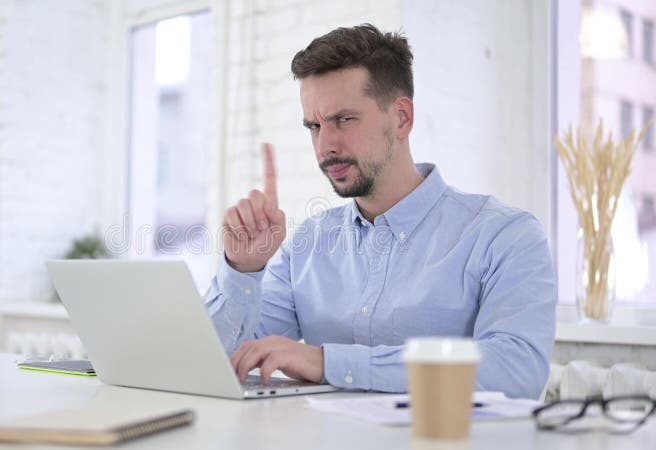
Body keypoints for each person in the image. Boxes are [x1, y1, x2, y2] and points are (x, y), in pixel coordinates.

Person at [202, 24, 556, 400]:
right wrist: (243, 270)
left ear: (401, 118)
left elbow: (517, 371)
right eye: (314, 127)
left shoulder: (505, 236)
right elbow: (216, 361)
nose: (325, 146)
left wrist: (329, 363)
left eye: (343, 120)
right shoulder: (307, 246)